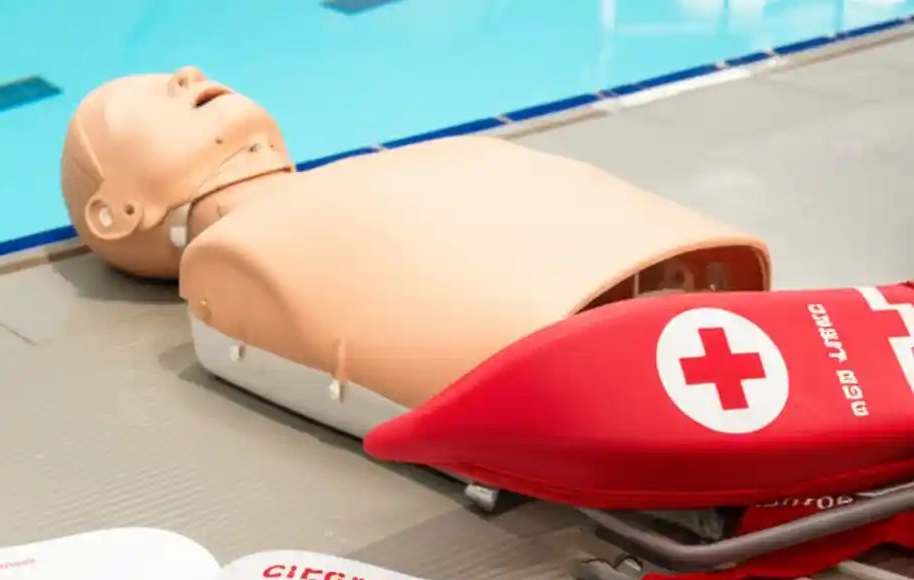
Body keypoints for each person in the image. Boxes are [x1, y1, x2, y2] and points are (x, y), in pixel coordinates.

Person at [60, 66, 769, 476]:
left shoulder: (403, 168)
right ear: (114, 213)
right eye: (147, 99)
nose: (187, 74)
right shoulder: (233, 261)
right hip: (634, 362)